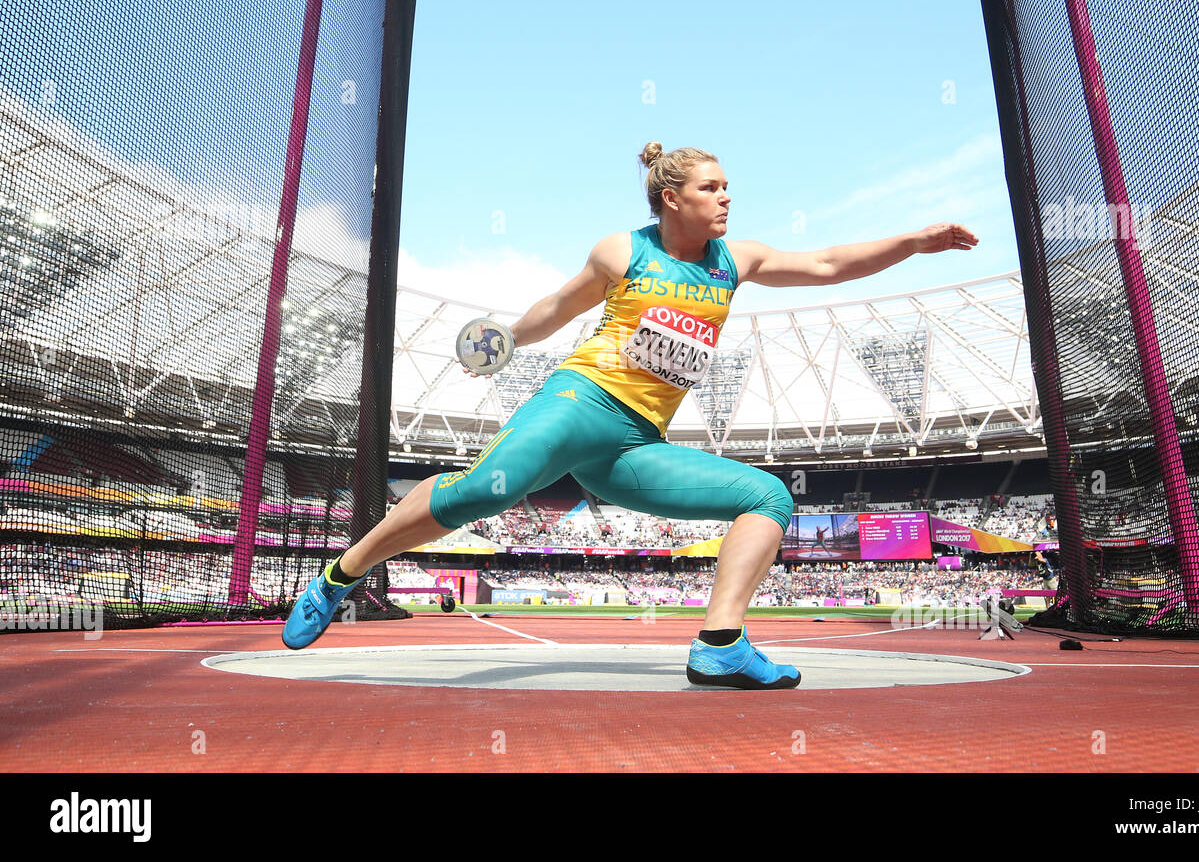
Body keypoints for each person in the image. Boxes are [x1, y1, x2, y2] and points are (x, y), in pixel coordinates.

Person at [282, 142, 977, 689]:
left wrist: (911, 243)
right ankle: (340, 575)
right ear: (672, 198)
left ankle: (720, 647)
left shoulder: (737, 260)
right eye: (712, 187)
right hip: (579, 402)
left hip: (633, 446)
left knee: (765, 496)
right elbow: (561, 307)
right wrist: (507, 341)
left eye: (728, 186)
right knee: (480, 493)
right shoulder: (624, 250)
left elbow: (827, 263)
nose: (727, 196)